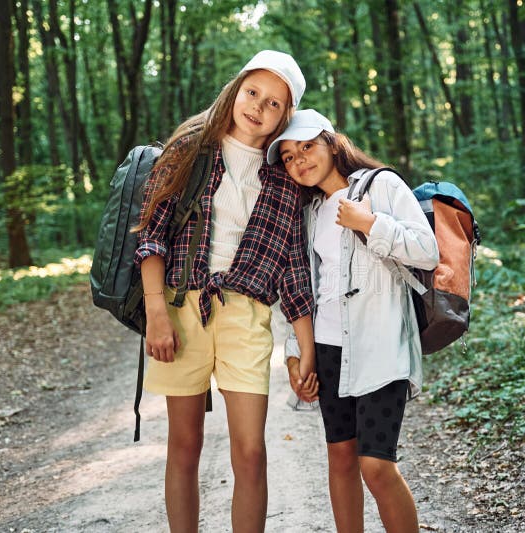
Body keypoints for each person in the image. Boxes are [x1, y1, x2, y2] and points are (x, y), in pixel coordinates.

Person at [133, 50, 317, 533]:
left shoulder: (284, 175)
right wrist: (156, 314)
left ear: (286, 115)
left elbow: (293, 268)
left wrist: (306, 348)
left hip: (246, 315)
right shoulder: (190, 149)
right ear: (236, 90)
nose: (258, 107)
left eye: (273, 103)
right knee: (185, 445)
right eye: (252, 92)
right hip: (179, 308)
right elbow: (151, 233)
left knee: (251, 452)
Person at [268, 109, 439, 533]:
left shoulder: (381, 185)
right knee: (341, 458)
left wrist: (370, 223)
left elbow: (427, 250)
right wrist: (295, 353)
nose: (299, 160)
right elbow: (308, 287)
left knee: (376, 466)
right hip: (327, 350)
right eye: (288, 157)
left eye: (307, 146)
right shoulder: (309, 212)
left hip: (381, 345)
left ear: (331, 142)